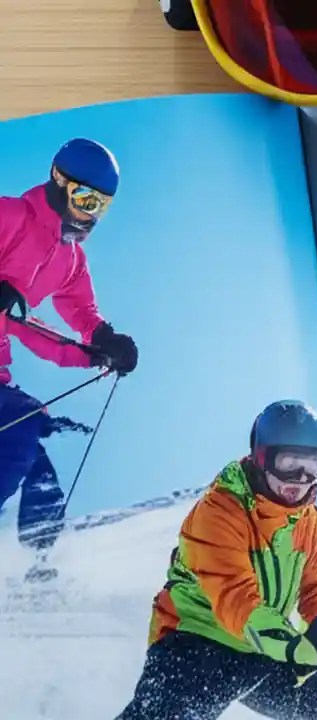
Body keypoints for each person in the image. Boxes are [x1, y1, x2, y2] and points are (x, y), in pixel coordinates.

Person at [116, 400, 317, 720]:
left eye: (311, 466)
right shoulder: (220, 511)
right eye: (289, 463)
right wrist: (294, 649)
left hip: (266, 648)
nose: (299, 478)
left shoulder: (309, 521)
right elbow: (237, 602)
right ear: (263, 457)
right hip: (198, 641)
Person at [0, 137, 139, 575]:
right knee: (22, 425)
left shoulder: (69, 260)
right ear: (59, 182)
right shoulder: (11, 217)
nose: (91, 214)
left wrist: (102, 344)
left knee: (28, 437)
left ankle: (40, 558)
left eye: (102, 205)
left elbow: (75, 312)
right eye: (84, 198)